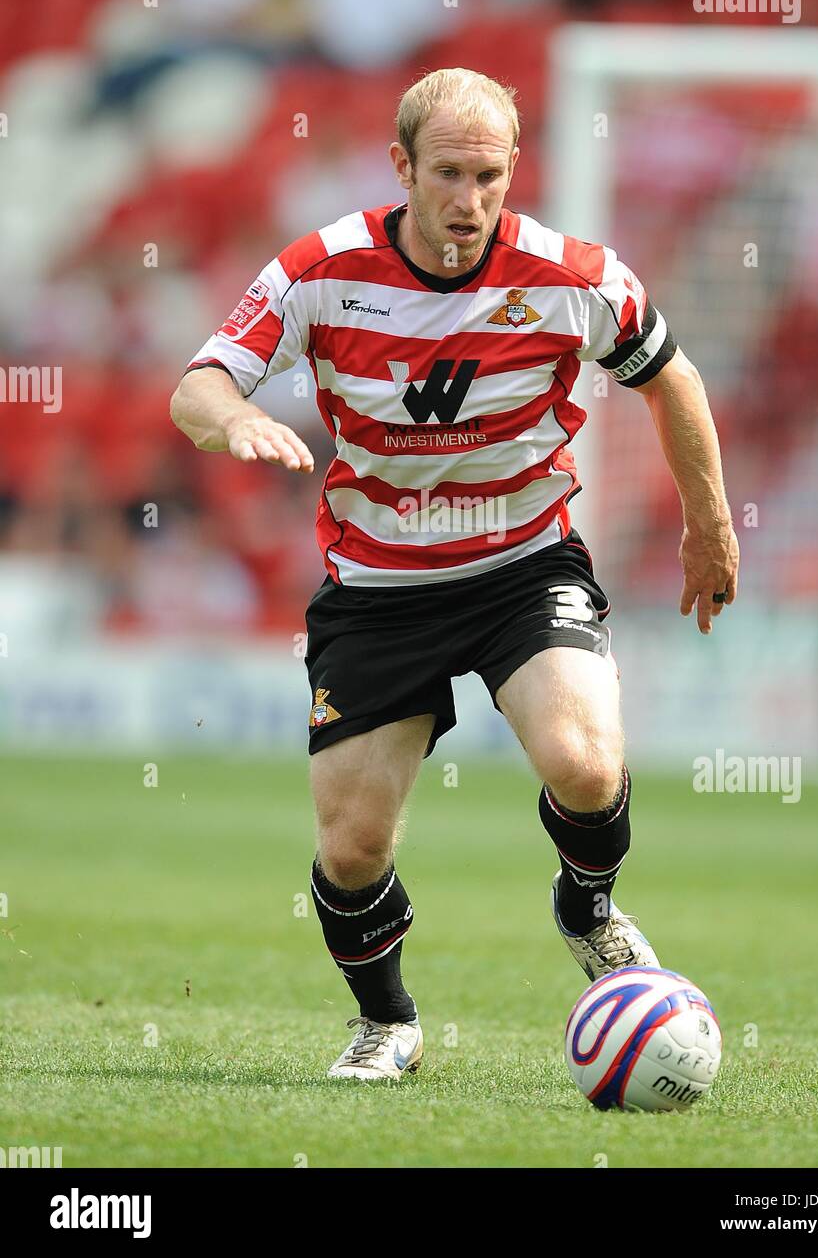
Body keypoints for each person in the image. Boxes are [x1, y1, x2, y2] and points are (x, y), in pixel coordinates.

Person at [170, 68, 739, 1081]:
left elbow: (670, 377)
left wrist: (707, 524)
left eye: (489, 175)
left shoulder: (573, 276)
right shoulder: (321, 270)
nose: (469, 201)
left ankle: (584, 906)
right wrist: (237, 417)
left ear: (514, 168)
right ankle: (387, 1022)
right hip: (380, 588)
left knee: (587, 765)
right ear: (400, 168)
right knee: (350, 850)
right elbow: (198, 383)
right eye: (446, 174)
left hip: (523, 566)